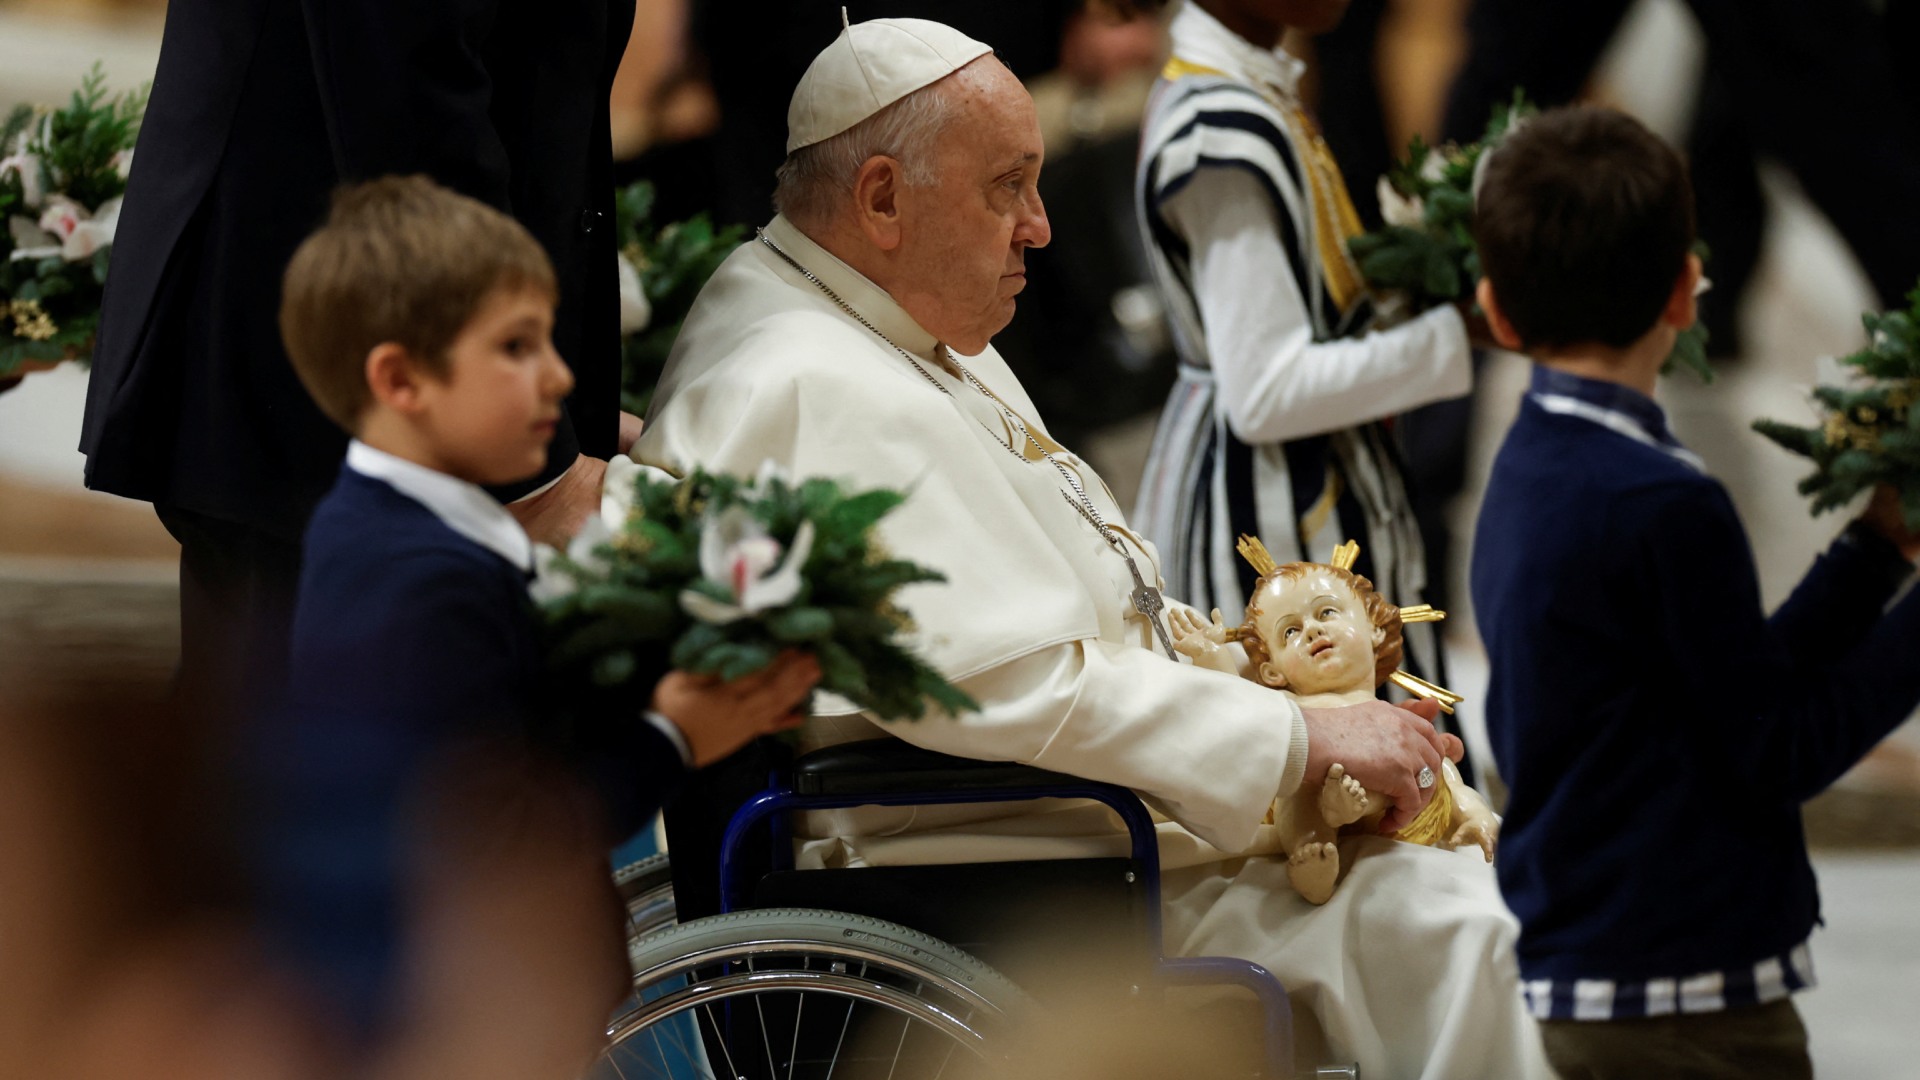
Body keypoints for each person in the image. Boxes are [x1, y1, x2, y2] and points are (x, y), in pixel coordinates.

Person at [637, 16, 1552, 1077]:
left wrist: (1283, 690)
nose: (1040, 226)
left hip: (1081, 828)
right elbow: (1018, 680)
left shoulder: (860, 312)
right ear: (882, 198)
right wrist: (1301, 743)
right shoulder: (807, 376)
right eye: (1006, 187)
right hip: (1040, 869)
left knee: (1465, 880)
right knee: (1467, 931)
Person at [261, 176, 819, 1052]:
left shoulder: (415, 532)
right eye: (517, 348)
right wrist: (675, 737)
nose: (559, 375)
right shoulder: (418, 583)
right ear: (401, 379)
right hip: (454, 1011)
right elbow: (504, 835)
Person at [1469, 106, 1920, 1079]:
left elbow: (1733, 684)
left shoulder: (1535, 465)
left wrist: (1876, 550)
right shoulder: (1662, 500)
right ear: (1685, 291)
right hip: (1684, 1003)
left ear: (1496, 312)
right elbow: (1781, 746)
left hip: (1589, 962)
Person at [77, 0, 636, 729]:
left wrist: (553, 404)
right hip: (317, 360)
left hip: (378, 358)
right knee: (303, 786)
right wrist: (528, 460)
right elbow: (410, 105)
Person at [1124, 0, 1475, 738]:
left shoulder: (1246, 90)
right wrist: (1454, 333)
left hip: (1304, 480)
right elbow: (1267, 393)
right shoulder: (1219, 129)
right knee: (1343, 798)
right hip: (1279, 510)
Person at [1170, 540, 1498, 905]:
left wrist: (1470, 811)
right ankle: (1313, 853)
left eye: (1326, 613)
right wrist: (1210, 653)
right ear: (1271, 671)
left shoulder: (1394, 716)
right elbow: (1234, 701)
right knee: (1297, 778)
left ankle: (1471, 816)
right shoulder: (1288, 710)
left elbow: (1442, 773)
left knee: (1434, 758)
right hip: (1320, 797)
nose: (1311, 630)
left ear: (1375, 627)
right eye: (1290, 632)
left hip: (1401, 820)